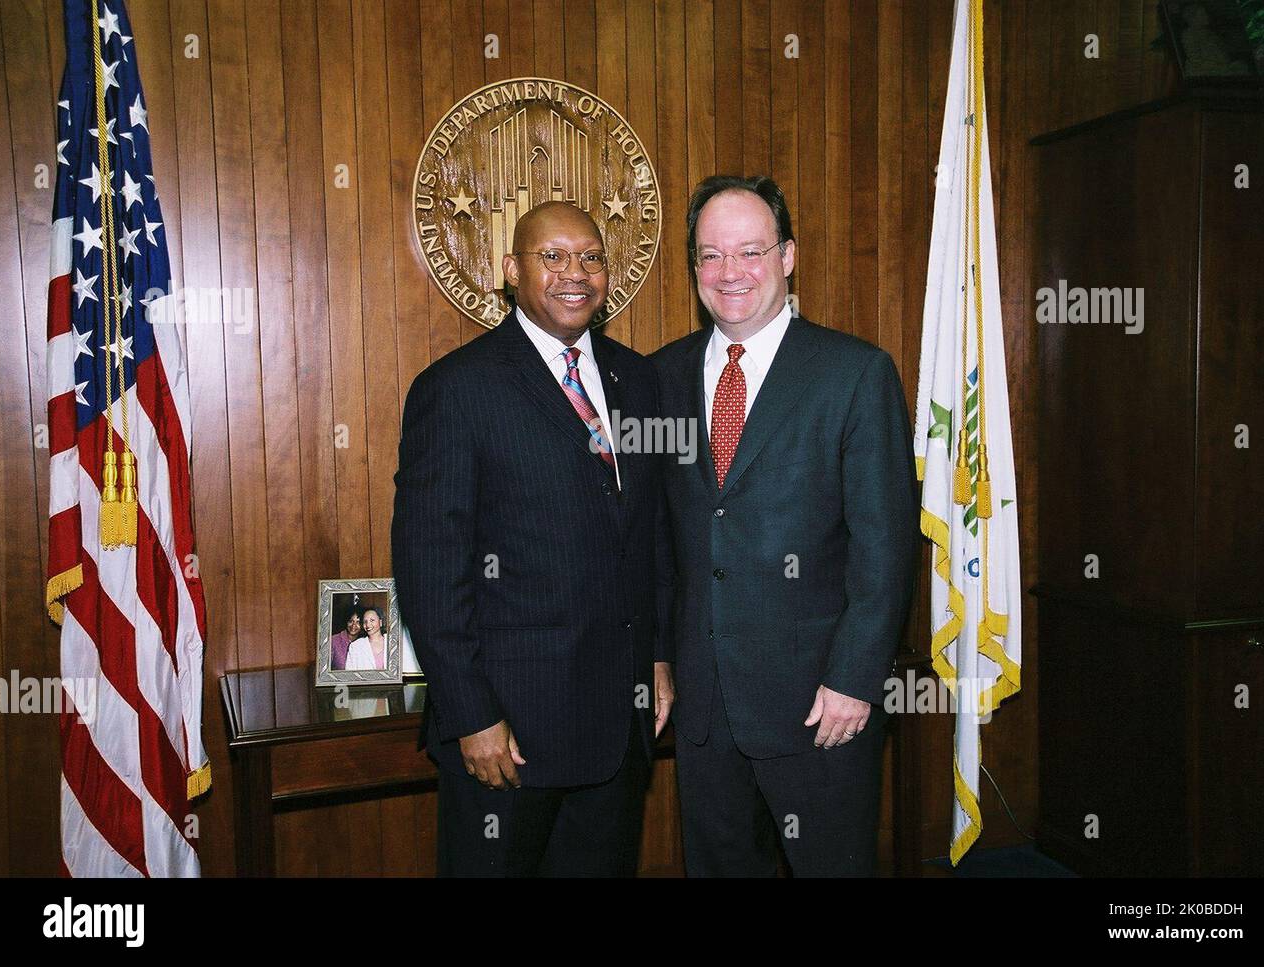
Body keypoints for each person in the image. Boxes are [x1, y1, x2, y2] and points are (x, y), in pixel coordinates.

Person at [392, 200, 672, 877]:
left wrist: (659, 656)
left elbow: (651, 535)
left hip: (616, 731)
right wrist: (471, 716)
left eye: (592, 257)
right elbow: (430, 571)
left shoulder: (641, 380)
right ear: (511, 271)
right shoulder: (455, 390)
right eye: (553, 256)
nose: (575, 272)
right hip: (508, 736)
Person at [652, 175, 918, 876]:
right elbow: (653, 544)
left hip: (820, 706)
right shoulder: (661, 378)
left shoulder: (855, 373)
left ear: (789, 256)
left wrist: (857, 678)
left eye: (750, 250)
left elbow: (884, 545)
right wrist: (657, 659)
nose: (730, 272)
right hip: (705, 708)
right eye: (710, 255)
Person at [330, 606, 363, 671]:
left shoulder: (364, 642)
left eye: (358, 622)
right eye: (351, 621)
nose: (354, 625)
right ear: (346, 622)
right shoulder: (333, 641)